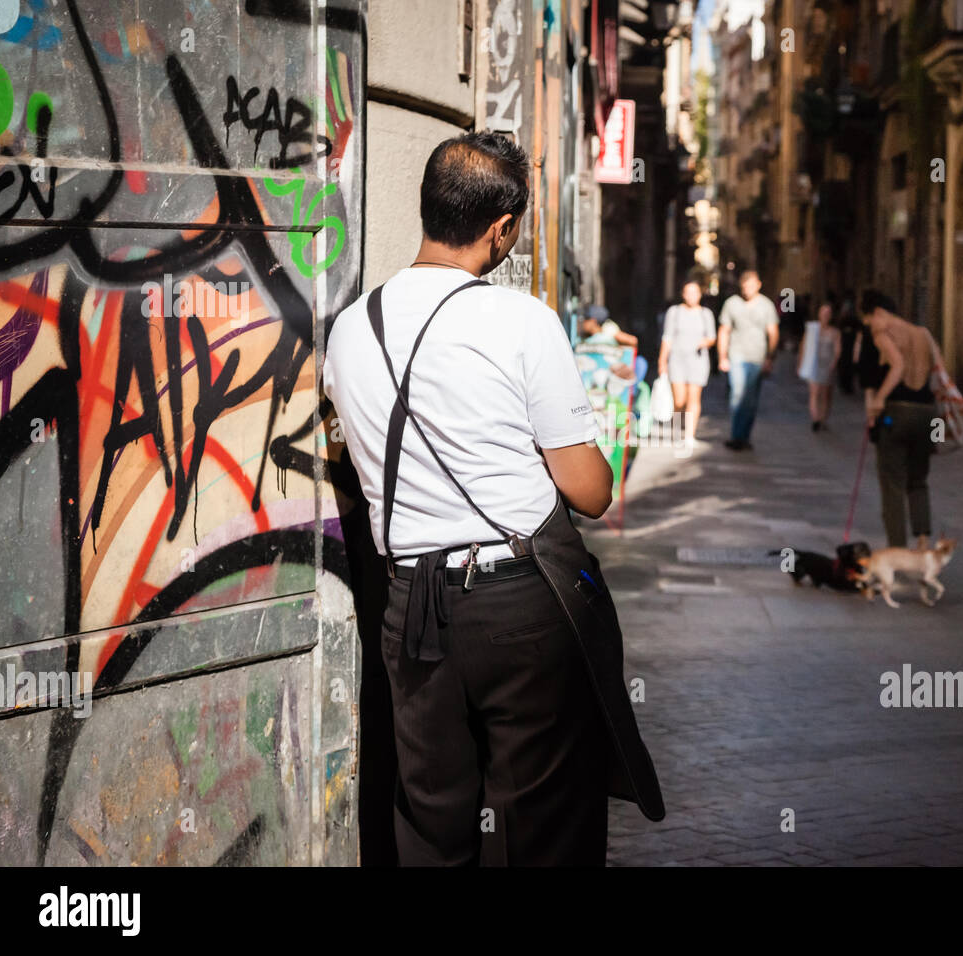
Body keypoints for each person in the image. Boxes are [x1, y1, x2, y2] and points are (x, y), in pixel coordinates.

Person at [323, 131, 662, 866]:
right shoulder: (522, 322)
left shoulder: (351, 330)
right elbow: (590, 492)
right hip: (519, 605)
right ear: (501, 227)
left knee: (431, 819)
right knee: (544, 819)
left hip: (409, 605)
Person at [859, 290, 940, 550]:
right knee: (918, 480)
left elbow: (898, 366)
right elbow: (940, 372)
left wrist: (879, 399)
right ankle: (924, 542)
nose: (869, 326)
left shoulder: (883, 333)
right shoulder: (923, 333)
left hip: (897, 412)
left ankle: (897, 548)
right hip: (926, 412)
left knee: (892, 482)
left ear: (878, 313)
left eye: (868, 320)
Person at [717, 270, 780, 450]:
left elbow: (773, 332)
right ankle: (736, 435)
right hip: (736, 355)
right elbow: (724, 330)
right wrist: (722, 357)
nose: (748, 290)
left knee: (751, 400)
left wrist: (770, 357)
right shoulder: (732, 304)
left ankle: (744, 436)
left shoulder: (766, 305)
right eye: (745, 287)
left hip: (757, 357)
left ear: (758, 285)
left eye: (751, 286)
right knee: (737, 395)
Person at [657, 280, 717, 442]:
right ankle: (677, 427)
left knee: (694, 397)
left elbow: (712, 337)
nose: (691, 296)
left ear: (699, 294)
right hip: (677, 359)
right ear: (683, 294)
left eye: (694, 292)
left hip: (698, 361)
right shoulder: (674, 312)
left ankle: (689, 434)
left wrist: (705, 342)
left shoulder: (706, 314)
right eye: (688, 292)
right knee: (679, 399)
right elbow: (667, 337)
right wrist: (662, 360)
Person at [797, 300, 841, 431]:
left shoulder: (834, 332)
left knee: (826, 394)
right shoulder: (812, 329)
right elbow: (803, 346)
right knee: (814, 392)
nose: (825, 315)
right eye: (823, 312)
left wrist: (834, 363)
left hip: (827, 365)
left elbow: (838, 349)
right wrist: (800, 362)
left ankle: (823, 418)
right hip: (813, 363)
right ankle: (815, 419)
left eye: (828, 313)